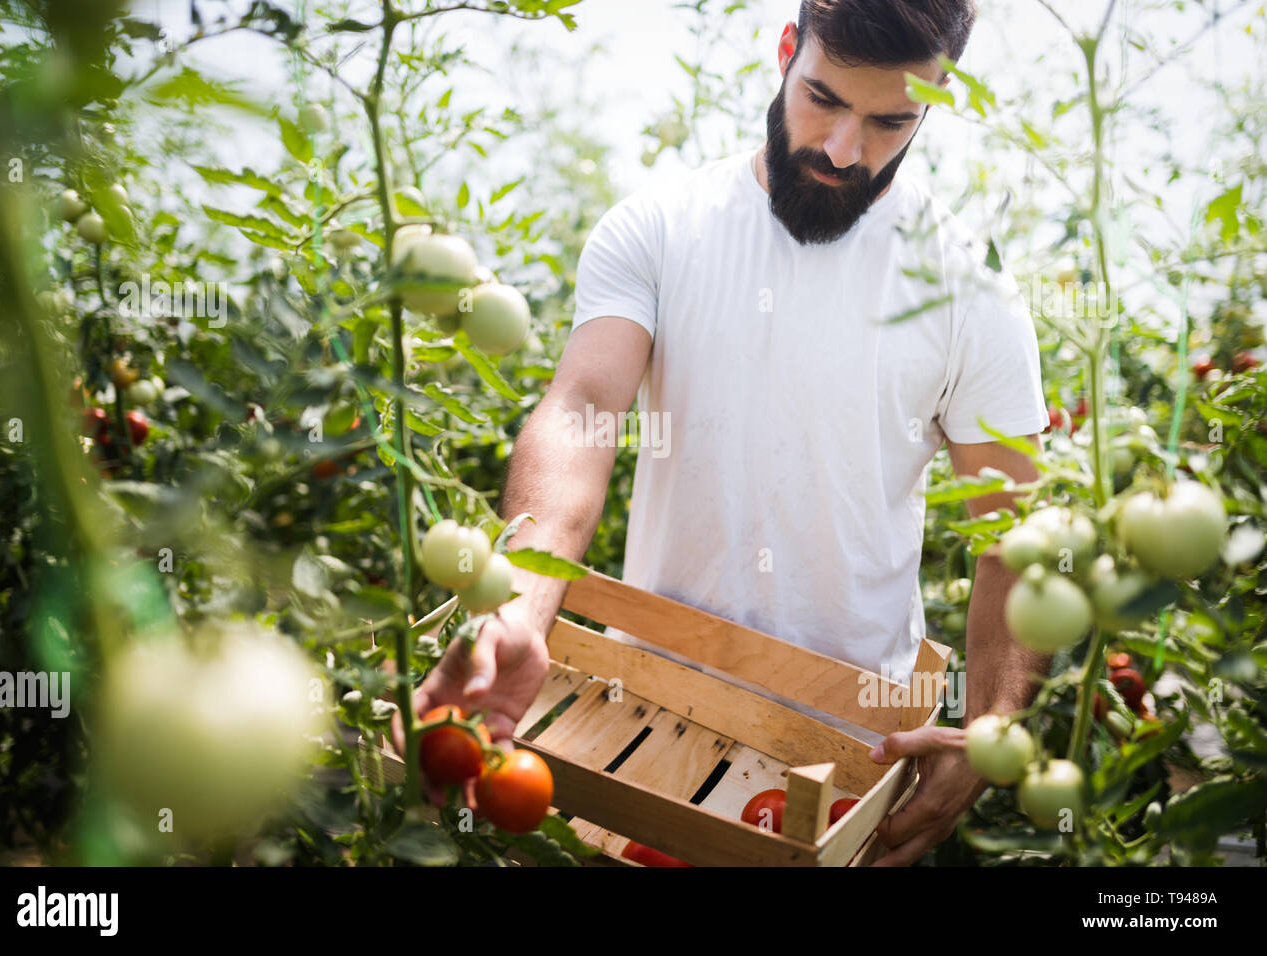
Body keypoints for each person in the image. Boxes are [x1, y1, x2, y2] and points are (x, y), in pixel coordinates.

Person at [402, 0, 1052, 866]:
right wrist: (518, 605)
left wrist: (993, 727)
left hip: (848, 757)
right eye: (822, 98)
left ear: (939, 102)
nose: (843, 148)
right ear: (786, 52)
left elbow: (1015, 535)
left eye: (890, 120)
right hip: (641, 721)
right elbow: (582, 409)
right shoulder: (661, 225)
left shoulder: (971, 289)